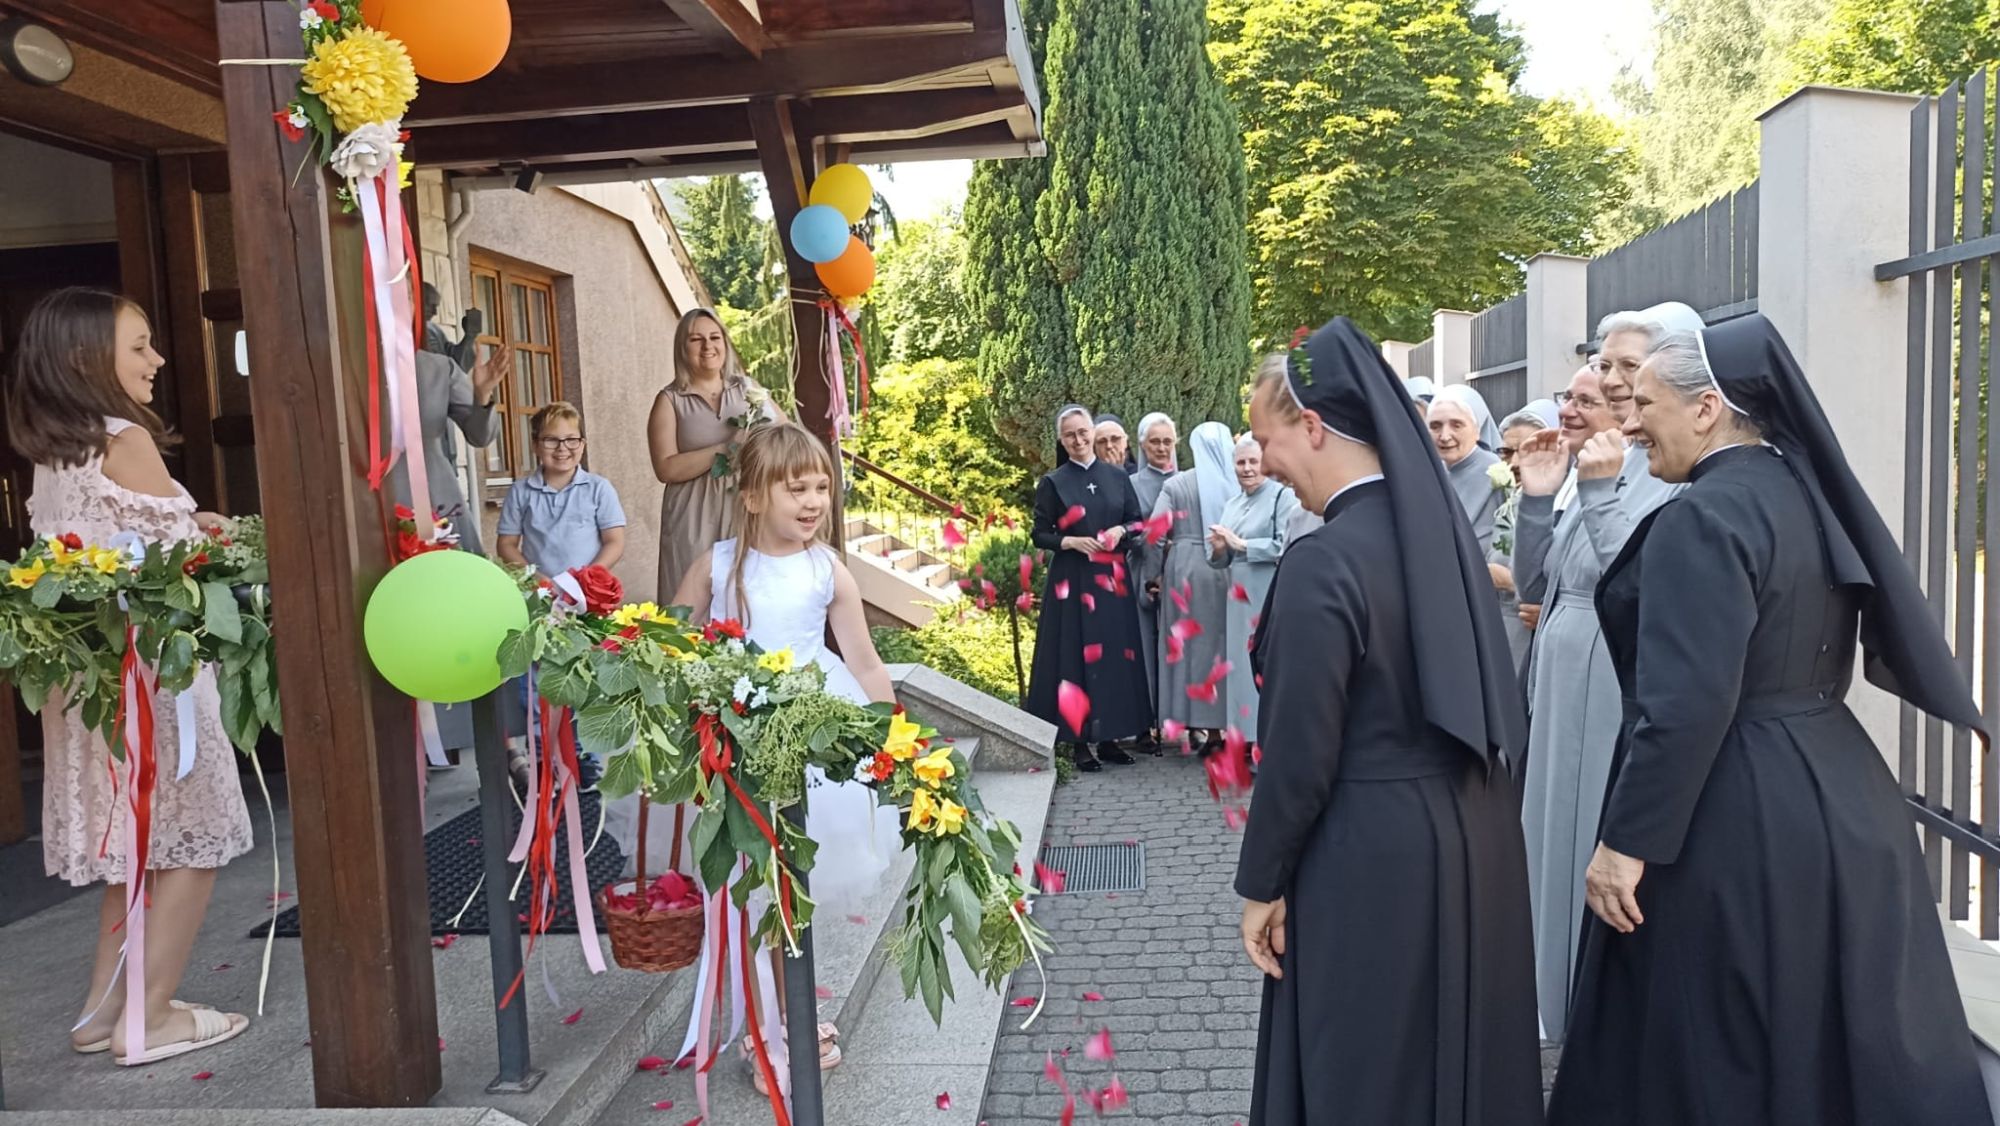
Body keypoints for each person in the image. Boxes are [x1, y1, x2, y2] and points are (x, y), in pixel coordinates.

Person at [1548, 317, 1992, 1125]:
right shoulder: (1801, 492)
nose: (1633, 419)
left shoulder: (1701, 517)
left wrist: (1625, 844)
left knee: (1715, 1035)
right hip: (1835, 791)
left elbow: (1685, 707)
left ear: (1708, 407)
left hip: (1728, 810)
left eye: (1646, 402)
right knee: (1817, 1027)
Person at [1237, 318, 1542, 1126]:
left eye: (1267, 440)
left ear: (1313, 426)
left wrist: (1262, 884)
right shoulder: (1442, 546)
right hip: (1477, 835)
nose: (1263, 462)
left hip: (1370, 847)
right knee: (1460, 1053)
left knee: (1368, 1064)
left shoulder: (1323, 561)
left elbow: (1300, 754)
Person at [8, 287, 253, 1065]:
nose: (158, 359)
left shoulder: (54, 453)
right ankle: (150, 1018)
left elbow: (114, 549)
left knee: (141, 843)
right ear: (87, 357)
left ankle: (102, 1010)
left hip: (92, 680)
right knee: (194, 836)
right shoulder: (123, 438)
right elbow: (178, 567)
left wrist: (189, 528)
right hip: (154, 674)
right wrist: (219, 535)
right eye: (139, 345)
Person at [669, 422, 903, 1094]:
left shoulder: (826, 567)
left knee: (790, 887)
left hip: (813, 731)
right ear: (749, 495)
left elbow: (862, 659)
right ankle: (769, 1024)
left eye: (821, 487)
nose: (812, 501)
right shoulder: (714, 567)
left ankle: (786, 1016)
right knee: (759, 885)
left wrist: (891, 738)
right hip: (738, 738)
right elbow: (673, 648)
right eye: (794, 488)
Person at [1511, 310, 1699, 1044]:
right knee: (1551, 837)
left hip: (1611, 678)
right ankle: (1542, 996)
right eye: (1605, 366)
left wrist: (1593, 494)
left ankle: (1585, 1012)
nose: (1614, 382)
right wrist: (1538, 496)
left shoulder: (1666, 465)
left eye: (1629, 369)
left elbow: (1642, 584)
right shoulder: (1605, 455)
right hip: (1563, 673)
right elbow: (1539, 585)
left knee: (1592, 833)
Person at [495, 401, 628, 790]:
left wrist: (586, 581)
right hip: (540, 603)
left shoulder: (598, 489)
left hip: (587, 603)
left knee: (585, 677)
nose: (563, 448)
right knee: (538, 682)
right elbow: (507, 544)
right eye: (552, 440)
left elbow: (614, 541)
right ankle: (543, 758)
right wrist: (538, 579)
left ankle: (586, 757)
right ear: (536, 445)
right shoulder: (522, 492)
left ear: (582, 444)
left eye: (572, 439)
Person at [1024, 406, 1152, 772]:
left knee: (1112, 655)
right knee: (1075, 657)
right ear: (1061, 440)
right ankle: (1079, 743)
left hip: (1111, 581)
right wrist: (1070, 543)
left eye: (1083, 433)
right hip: (1073, 579)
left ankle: (1110, 738)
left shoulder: (1117, 476)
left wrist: (1120, 531)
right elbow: (1039, 532)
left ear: (1093, 432)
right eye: (1070, 436)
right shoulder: (1053, 481)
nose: (1078, 441)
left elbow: (1137, 522)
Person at [648, 308, 776, 603]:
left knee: (746, 592)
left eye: (714, 337)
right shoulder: (669, 400)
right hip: (693, 512)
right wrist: (726, 447)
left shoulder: (747, 389)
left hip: (745, 504)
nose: (708, 346)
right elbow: (665, 469)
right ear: (683, 347)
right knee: (691, 598)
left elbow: (783, 435)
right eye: (696, 339)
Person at [1205, 428, 1299, 737]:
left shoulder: (1282, 497)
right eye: (1240, 462)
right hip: (1237, 597)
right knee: (1239, 668)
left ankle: (1268, 737)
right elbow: (1219, 559)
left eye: (1253, 462)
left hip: (1266, 590)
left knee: (1265, 663)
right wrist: (1220, 548)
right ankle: (1244, 736)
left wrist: (1242, 544)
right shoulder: (1232, 503)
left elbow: (1285, 546)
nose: (1247, 469)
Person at [1148, 421, 1234, 755]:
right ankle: (1236, 729)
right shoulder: (1238, 483)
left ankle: (1205, 729)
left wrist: (1154, 573)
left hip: (1185, 568)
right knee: (1224, 648)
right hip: (1227, 568)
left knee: (1192, 648)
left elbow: (1153, 533)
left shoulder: (1177, 483)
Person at [1492, 399, 1556, 669]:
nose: (1516, 462)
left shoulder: (1564, 499)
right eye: (1507, 452)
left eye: (1528, 451)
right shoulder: (1512, 498)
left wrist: (1511, 582)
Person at [1130, 412, 1179, 752]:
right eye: (1155, 442)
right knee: (1146, 649)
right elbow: (1131, 532)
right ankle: (1145, 724)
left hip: (1180, 574)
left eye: (1167, 441)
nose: (1161, 447)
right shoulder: (1131, 485)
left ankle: (1186, 720)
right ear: (1143, 446)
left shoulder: (1188, 480)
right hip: (1143, 573)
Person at [1427, 384, 1507, 554]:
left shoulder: (1499, 472)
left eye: (1456, 425)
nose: (1445, 436)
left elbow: (1509, 540)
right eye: (1435, 426)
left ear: (1477, 430)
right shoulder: (1430, 472)